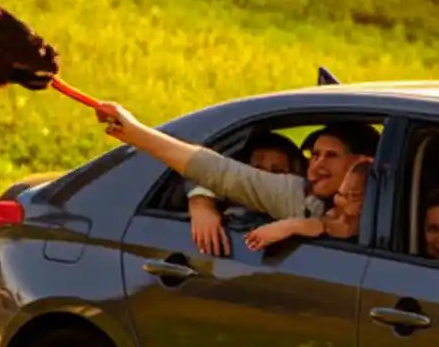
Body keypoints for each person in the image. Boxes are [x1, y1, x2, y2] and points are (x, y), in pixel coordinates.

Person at [93, 102, 378, 255]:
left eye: (331, 156)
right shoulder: (301, 195)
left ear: (364, 162)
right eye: (314, 156)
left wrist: (297, 225)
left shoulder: (393, 205)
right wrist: (134, 132)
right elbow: (220, 172)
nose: (316, 166)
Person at [186, 131, 306, 255]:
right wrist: (201, 204)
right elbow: (201, 170)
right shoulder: (230, 201)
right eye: (257, 170)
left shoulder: (303, 207)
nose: (263, 177)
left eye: (276, 172)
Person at [244, 158, 372, 251]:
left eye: (353, 196)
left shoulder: (364, 225)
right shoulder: (332, 211)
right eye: (340, 194)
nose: (340, 201)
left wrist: (289, 227)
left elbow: (339, 228)